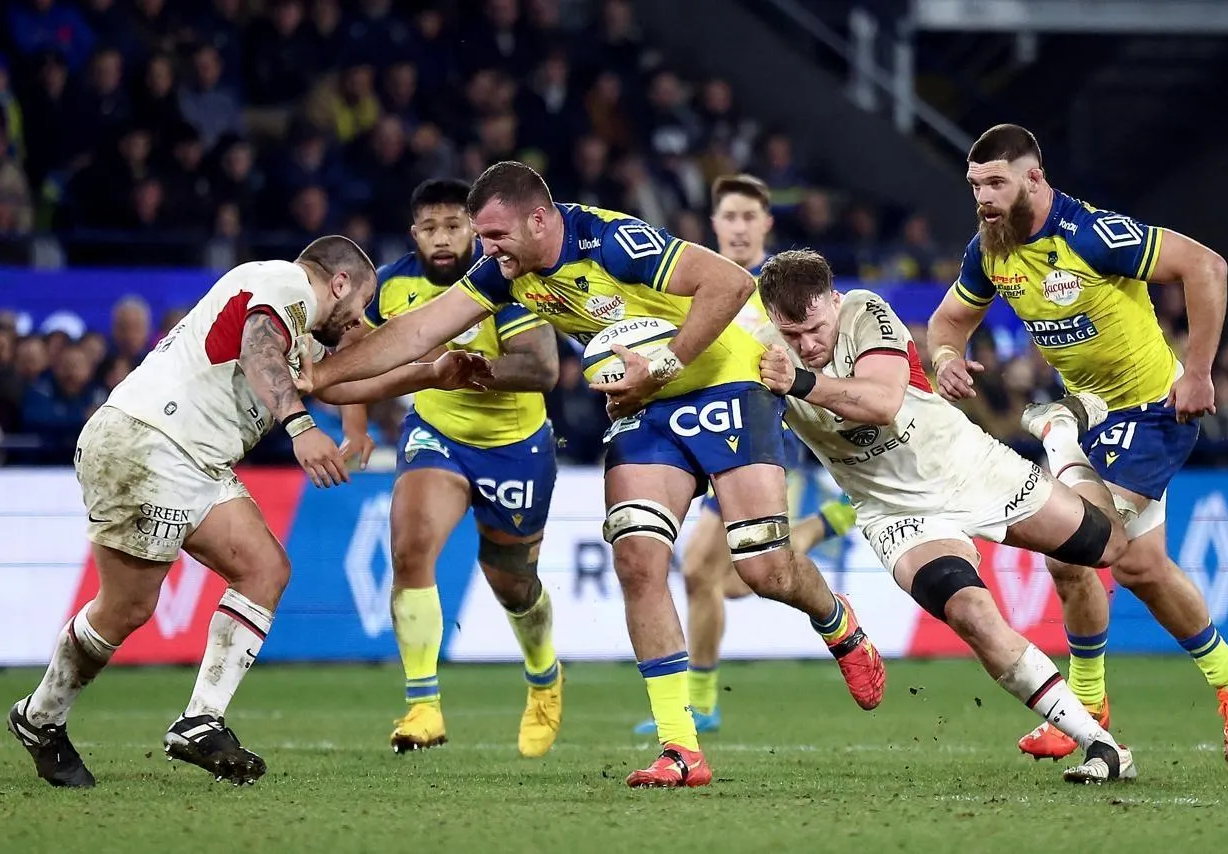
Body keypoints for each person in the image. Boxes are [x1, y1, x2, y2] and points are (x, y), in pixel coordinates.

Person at [298, 161, 886, 788]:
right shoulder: (501, 274)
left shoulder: (607, 242)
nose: (486, 250)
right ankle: (681, 748)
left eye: (496, 236)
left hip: (727, 381)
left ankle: (838, 624)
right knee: (637, 559)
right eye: (482, 237)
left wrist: (661, 364)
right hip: (643, 407)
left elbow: (731, 283)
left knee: (763, 568)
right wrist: (320, 379)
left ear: (539, 219)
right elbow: (417, 332)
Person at [5, 236, 487, 788]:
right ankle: (39, 719)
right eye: (358, 307)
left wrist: (430, 373)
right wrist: (301, 429)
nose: (357, 321)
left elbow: (335, 380)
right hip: (152, 442)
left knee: (265, 570)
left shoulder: (299, 320)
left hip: (195, 459)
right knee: (126, 609)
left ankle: (200, 721)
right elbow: (259, 348)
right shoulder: (284, 283)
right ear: (339, 283)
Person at [927, 123, 1228, 768]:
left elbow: (1206, 266)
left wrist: (1198, 371)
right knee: (1138, 567)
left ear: (1035, 175)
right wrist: (946, 355)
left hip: (1152, 411)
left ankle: (1087, 711)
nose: (984, 197)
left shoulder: (1092, 235)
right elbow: (948, 322)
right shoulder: (990, 249)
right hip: (1093, 417)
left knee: (1078, 549)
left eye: (996, 181)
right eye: (975, 185)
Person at [755, 249, 1136, 784]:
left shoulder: (865, 312)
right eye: (792, 336)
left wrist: (798, 381)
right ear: (774, 322)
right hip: (894, 512)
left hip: (967, 466)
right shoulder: (759, 349)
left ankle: (1059, 436)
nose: (807, 345)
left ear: (834, 302)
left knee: (1112, 547)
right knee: (971, 614)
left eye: (815, 328)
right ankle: (1100, 744)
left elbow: (883, 401)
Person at [333, 179, 564, 758]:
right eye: (430, 228)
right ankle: (423, 705)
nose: (443, 238)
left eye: (454, 226)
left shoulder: (506, 279)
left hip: (517, 445)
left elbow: (542, 369)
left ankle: (543, 677)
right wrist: (355, 427)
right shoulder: (389, 286)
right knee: (410, 548)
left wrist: (464, 367)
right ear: (414, 233)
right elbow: (353, 356)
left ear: (473, 226)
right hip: (439, 435)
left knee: (511, 582)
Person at [633, 174, 859, 736]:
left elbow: (819, 356)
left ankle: (821, 527)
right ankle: (702, 703)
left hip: (764, 443)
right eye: (728, 217)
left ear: (766, 224)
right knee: (700, 575)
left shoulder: (781, 291)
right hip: (702, 431)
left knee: (739, 577)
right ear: (714, 225)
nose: (737, 227)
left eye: (747, 218)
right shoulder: (696, 282)